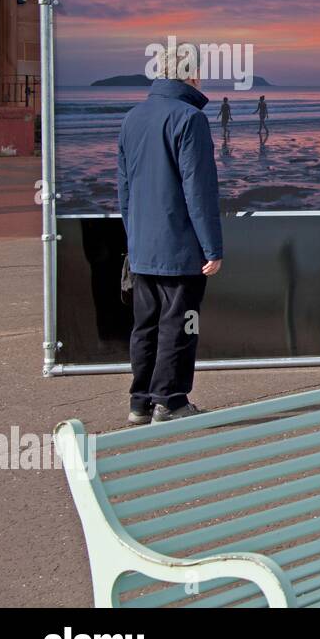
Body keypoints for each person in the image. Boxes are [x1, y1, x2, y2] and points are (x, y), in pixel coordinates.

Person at [117, 42, 222, 424]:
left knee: (145, 325)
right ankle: (172, 400)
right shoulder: (190, 119)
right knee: (180, 323)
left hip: (143, 246)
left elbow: (124, 189)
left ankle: (139, 401)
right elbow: (199, 190)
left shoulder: (132, 118)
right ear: (192, 74)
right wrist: (212, 247)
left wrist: (134, 238)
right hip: (180, 248)